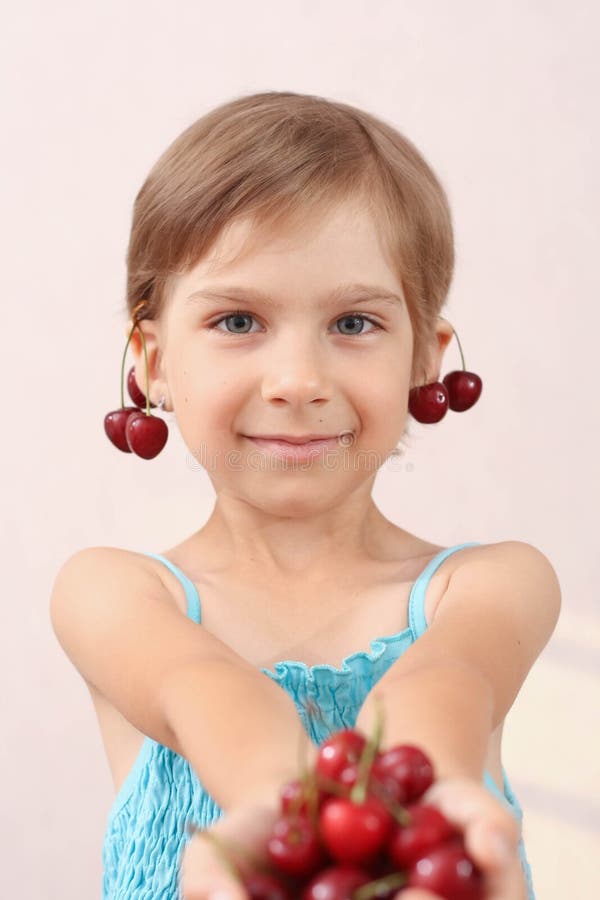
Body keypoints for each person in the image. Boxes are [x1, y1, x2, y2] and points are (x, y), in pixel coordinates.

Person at [50, 90, 561, 900]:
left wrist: (409, 815)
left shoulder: (494, 584)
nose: (297, 382)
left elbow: (445, 687)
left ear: (426, 357)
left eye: (354, 324)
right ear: (152, 364)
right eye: (239, 321)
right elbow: (206, 694)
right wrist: (303, 825)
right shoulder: (112, 592)